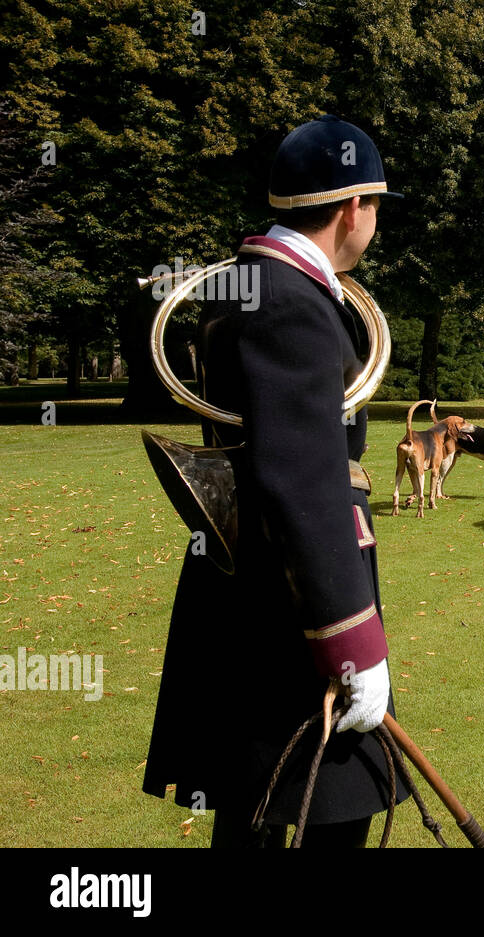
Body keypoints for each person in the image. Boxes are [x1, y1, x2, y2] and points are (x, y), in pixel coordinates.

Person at [143, 115, 408, 847]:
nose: (375, 220)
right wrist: (352, 642)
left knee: (258, 812)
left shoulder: (251, 287)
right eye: (377, 204)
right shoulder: (291, 304)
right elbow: (303, 483)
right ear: (352, 207)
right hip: (291, 607)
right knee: (323, 811)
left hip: (261, 588)